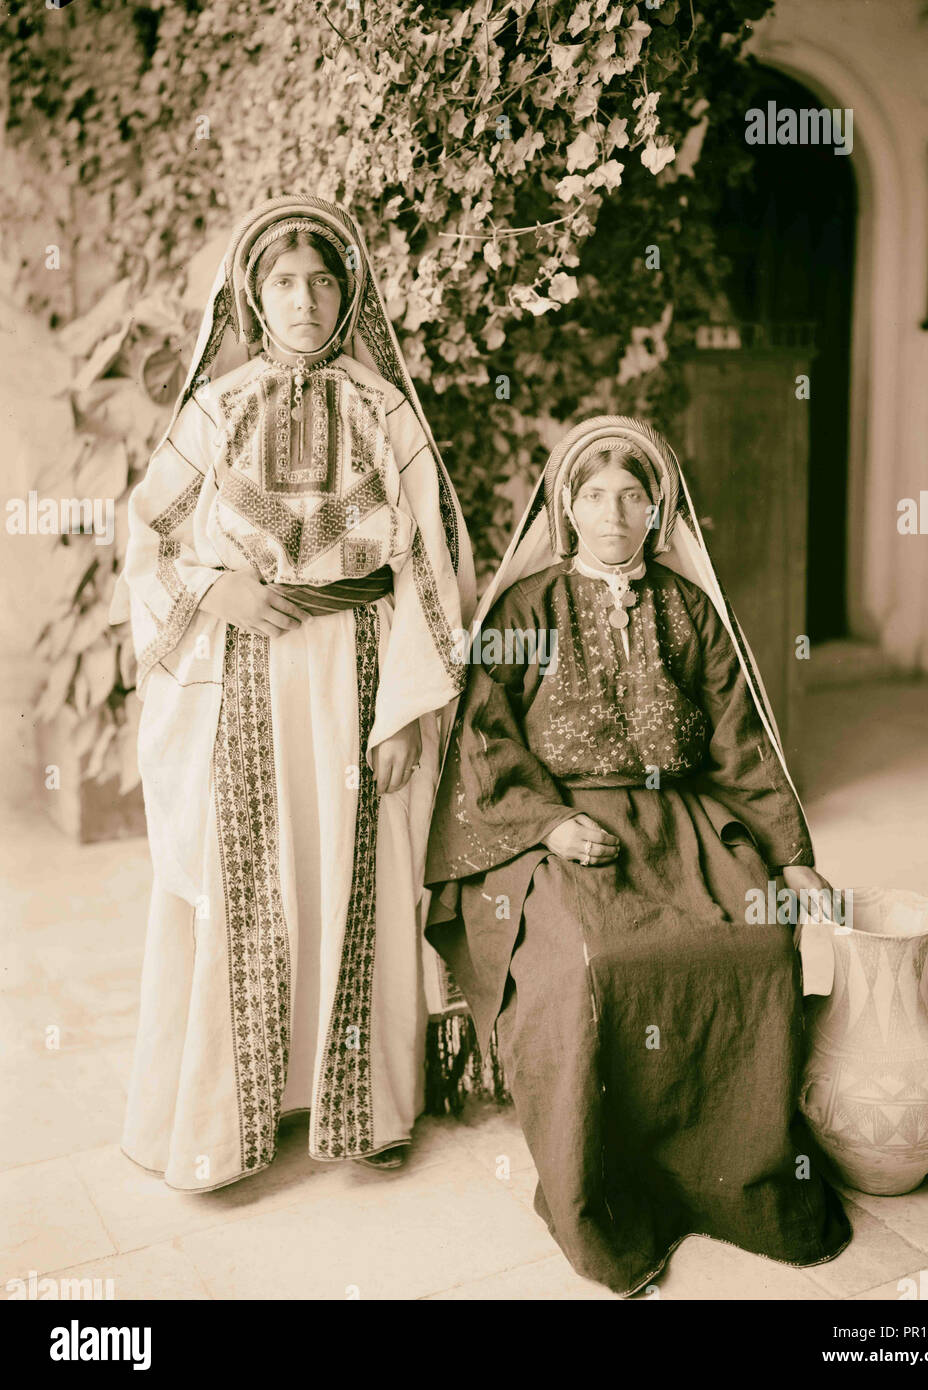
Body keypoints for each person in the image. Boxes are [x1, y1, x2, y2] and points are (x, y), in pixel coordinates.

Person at [424, 415, 852, 1296]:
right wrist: (547, 825)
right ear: (564, 506)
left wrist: (789, 853)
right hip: (561, 828)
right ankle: (603, 1185)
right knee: (593, 966)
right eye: (594, 495)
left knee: (760, 942)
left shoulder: (690, 607)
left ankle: (735, 1173)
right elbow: (484, 741)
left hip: (686, 818)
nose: (613, 513)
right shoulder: (526, 607)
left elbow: (738, 740)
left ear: (657, 510)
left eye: (632, 496)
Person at [110, 195, 474, 1191]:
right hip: (251, 679)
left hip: (364, 669)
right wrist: (216, 589)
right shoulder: (217, 406)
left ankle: (370, 1107)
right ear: (251, 296)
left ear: (347, 291)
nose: (303, 300)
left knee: (360, 874)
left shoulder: (383, 407)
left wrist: (406, 707)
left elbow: (434, 565)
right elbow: (146, 535)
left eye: (321, 280)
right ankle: (235, 1118)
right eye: (282, 282)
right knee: (257, 877)